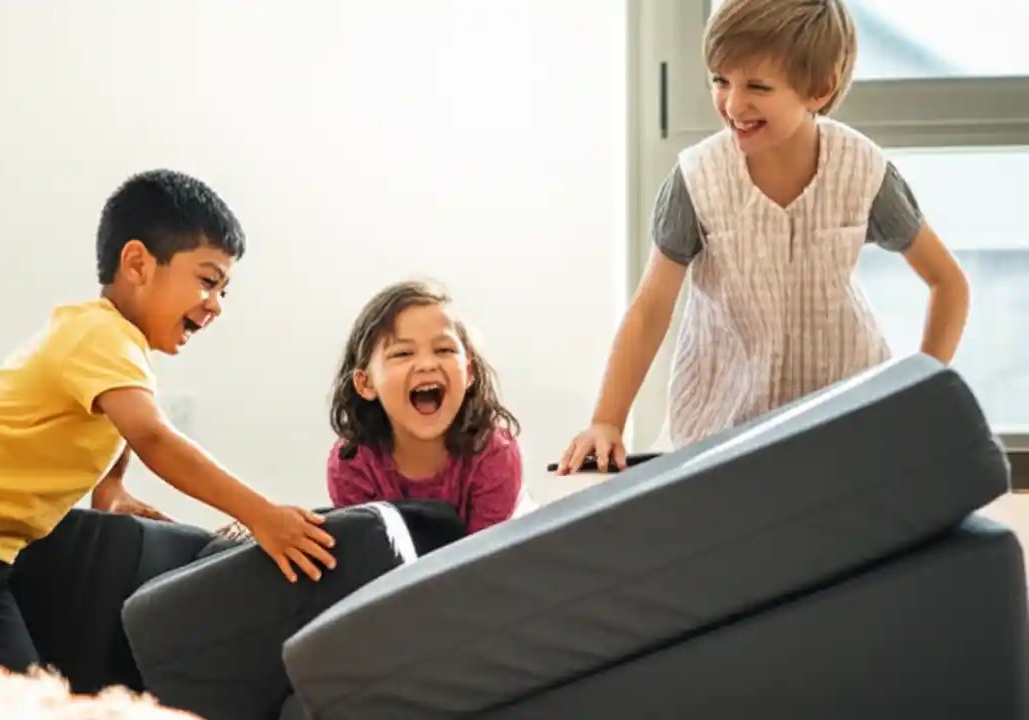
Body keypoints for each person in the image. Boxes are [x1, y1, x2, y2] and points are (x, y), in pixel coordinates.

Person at [0, 169, 337, 673]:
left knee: (24, 703)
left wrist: (113, 488)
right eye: (208, 281)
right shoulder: (101, 334)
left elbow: (117, 427)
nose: (216, 305)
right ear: (138, 263)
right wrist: (260, 514)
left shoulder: (120, 352)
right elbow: (151, 436)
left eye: (224, 291)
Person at [558, 0, 969, 474]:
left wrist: (920, 391)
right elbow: (650, 311)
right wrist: (607, 420)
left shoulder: (864, 169)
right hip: (723, 423)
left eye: (757, 86)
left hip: (843, 416)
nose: (733, 105)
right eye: (720, 80)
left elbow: (949, 284)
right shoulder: (697, 179)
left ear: (818, 90)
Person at [326, 279, 523, 535]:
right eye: (403, 353)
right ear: (366, 383)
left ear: (469, 372)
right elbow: (372, 562)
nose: (427, 364)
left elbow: (485, 561)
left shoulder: (494, 454)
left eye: (444, 349)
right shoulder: (351, 466)